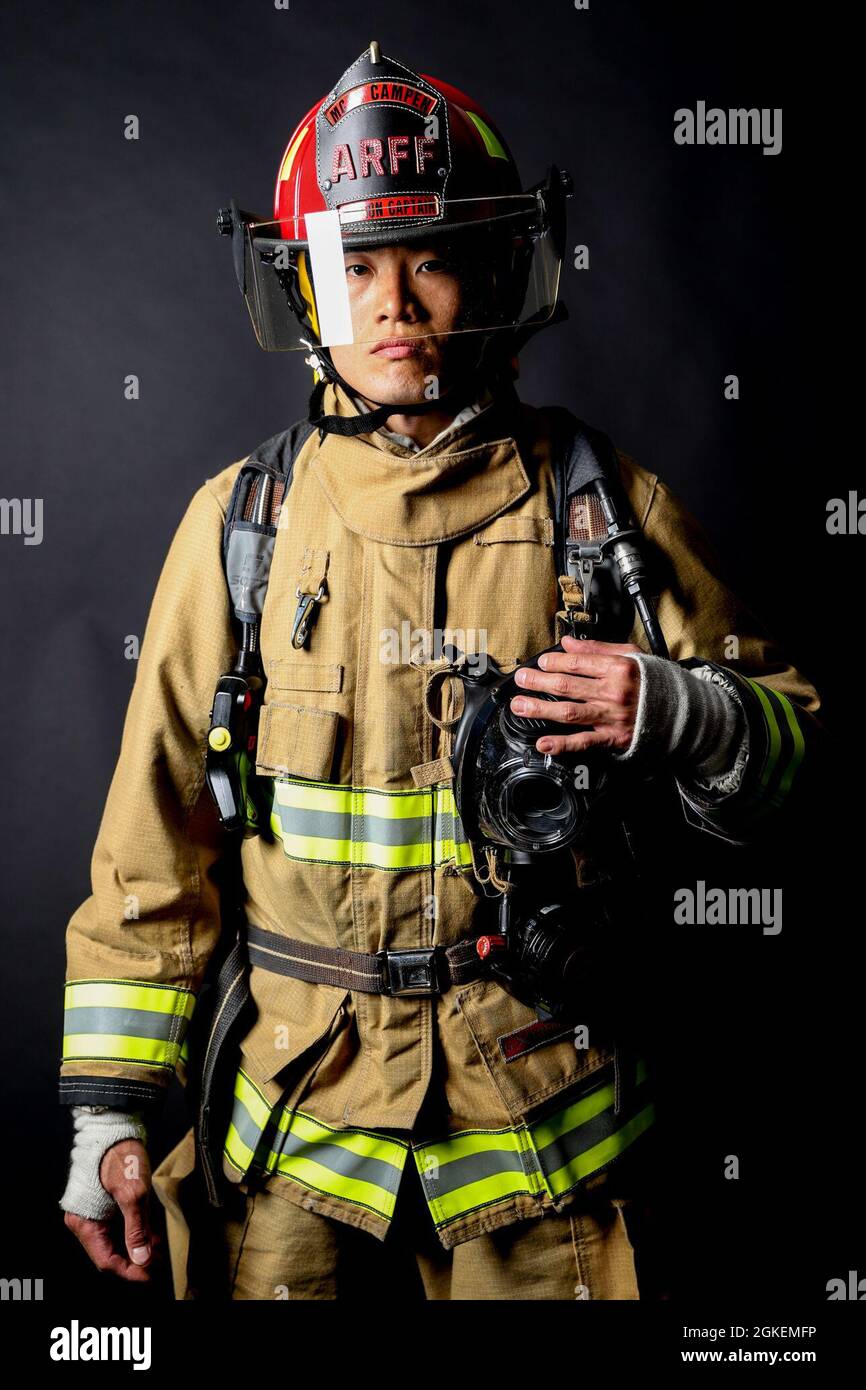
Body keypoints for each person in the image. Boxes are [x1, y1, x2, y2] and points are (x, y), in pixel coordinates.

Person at [58, 41, 823, 1301]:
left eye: (427, 260)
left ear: (489, 272)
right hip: (293, 1158)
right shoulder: (239, 527)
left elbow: (796, 744)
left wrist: (682, 712)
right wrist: (108, 1117)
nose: (394, 306)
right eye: (354, 265)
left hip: (544, 1137)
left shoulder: (605, 508)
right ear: (303, 288)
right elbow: (154, 852)